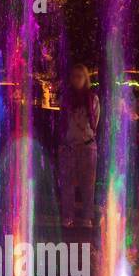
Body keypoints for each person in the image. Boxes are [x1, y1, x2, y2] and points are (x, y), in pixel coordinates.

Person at [58, 63, 100, 228]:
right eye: (73, 76)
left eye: (80, 76)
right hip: (69, 146)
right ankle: (67, 216)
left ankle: (87, 217)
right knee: (67, 184)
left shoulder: (93, 99)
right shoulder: (66, 98)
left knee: (87, 184)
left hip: (87, 145)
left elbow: (95, 122)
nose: (76, 79)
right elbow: (62, 122)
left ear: (85, 78)